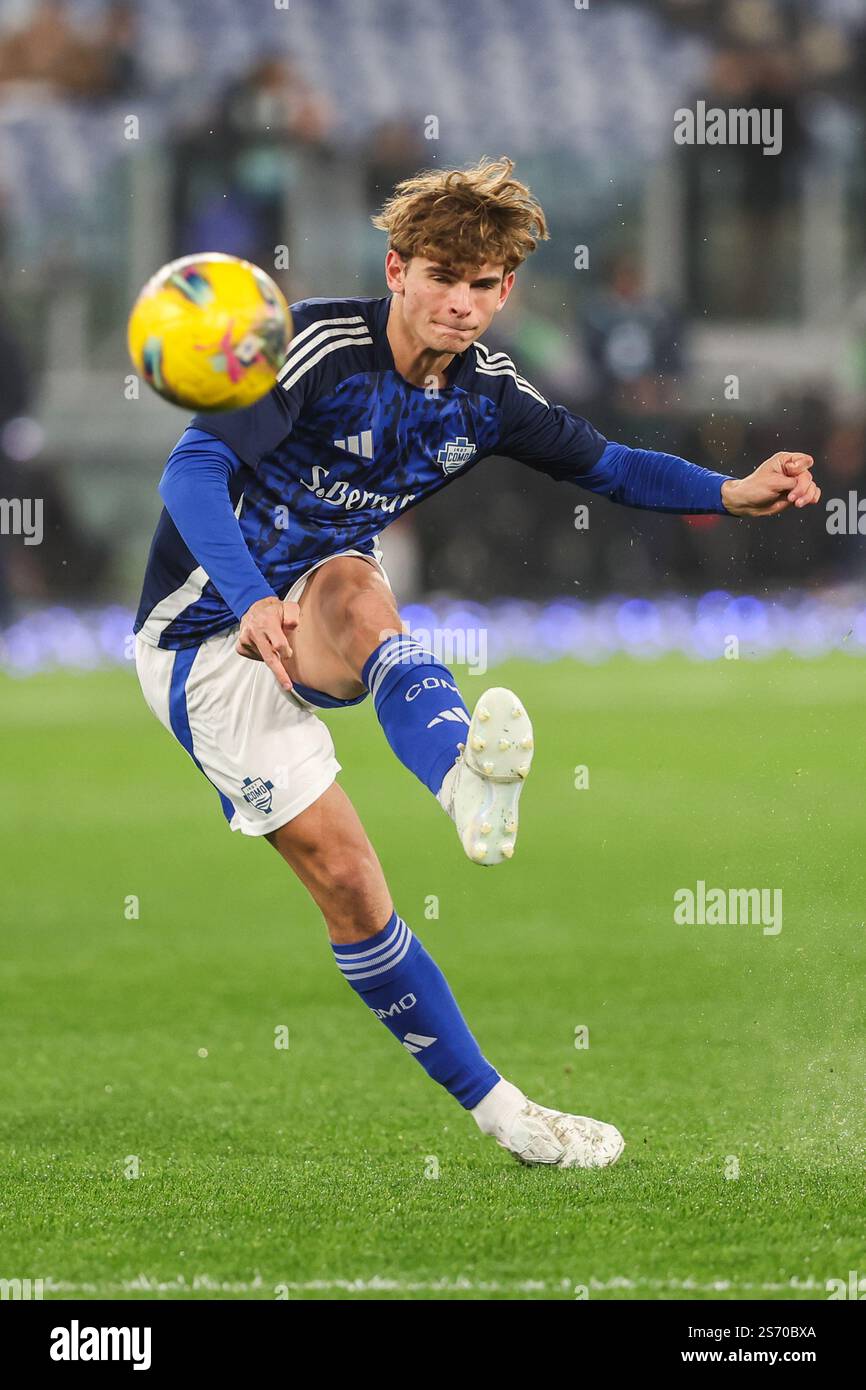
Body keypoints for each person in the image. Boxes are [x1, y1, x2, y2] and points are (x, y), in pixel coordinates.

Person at [133, 158, 820, 1170]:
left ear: (506, 291)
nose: (461, 301)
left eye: (484, 283)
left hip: (317, 591)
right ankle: (506, 1112)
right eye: (442, 275)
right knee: (351, 884)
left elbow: (611, 464)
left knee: (360, 591)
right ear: (396, 269)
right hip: (202, 637)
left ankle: (463, 784)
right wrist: (248, 600)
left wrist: (728, 490)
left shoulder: (486, 396)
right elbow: (192, 469)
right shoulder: (316, 349)